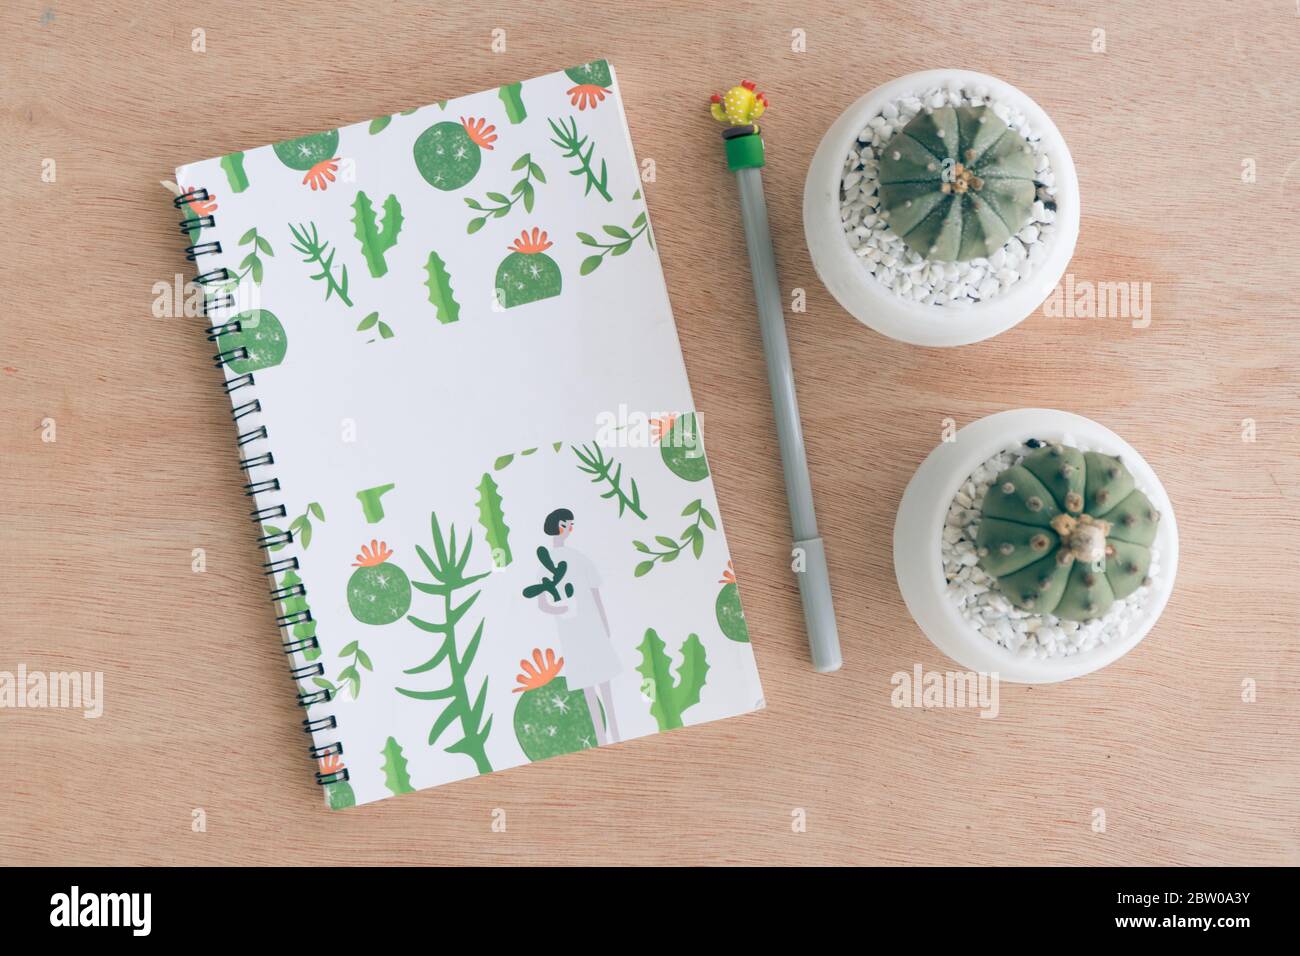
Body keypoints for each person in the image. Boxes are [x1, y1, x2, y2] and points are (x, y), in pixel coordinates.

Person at [534, 508, 622, 745]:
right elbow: (543, 602)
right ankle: (603, 735)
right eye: (568, 524)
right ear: (560, 526)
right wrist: (560, 610)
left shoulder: (577, 558)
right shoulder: (550, 563)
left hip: (587, 625)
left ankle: (613, 732)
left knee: (601, 680)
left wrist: (603, 623)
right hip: (573, 630)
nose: (570, 528)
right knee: (590, 683)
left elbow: (595, 593)